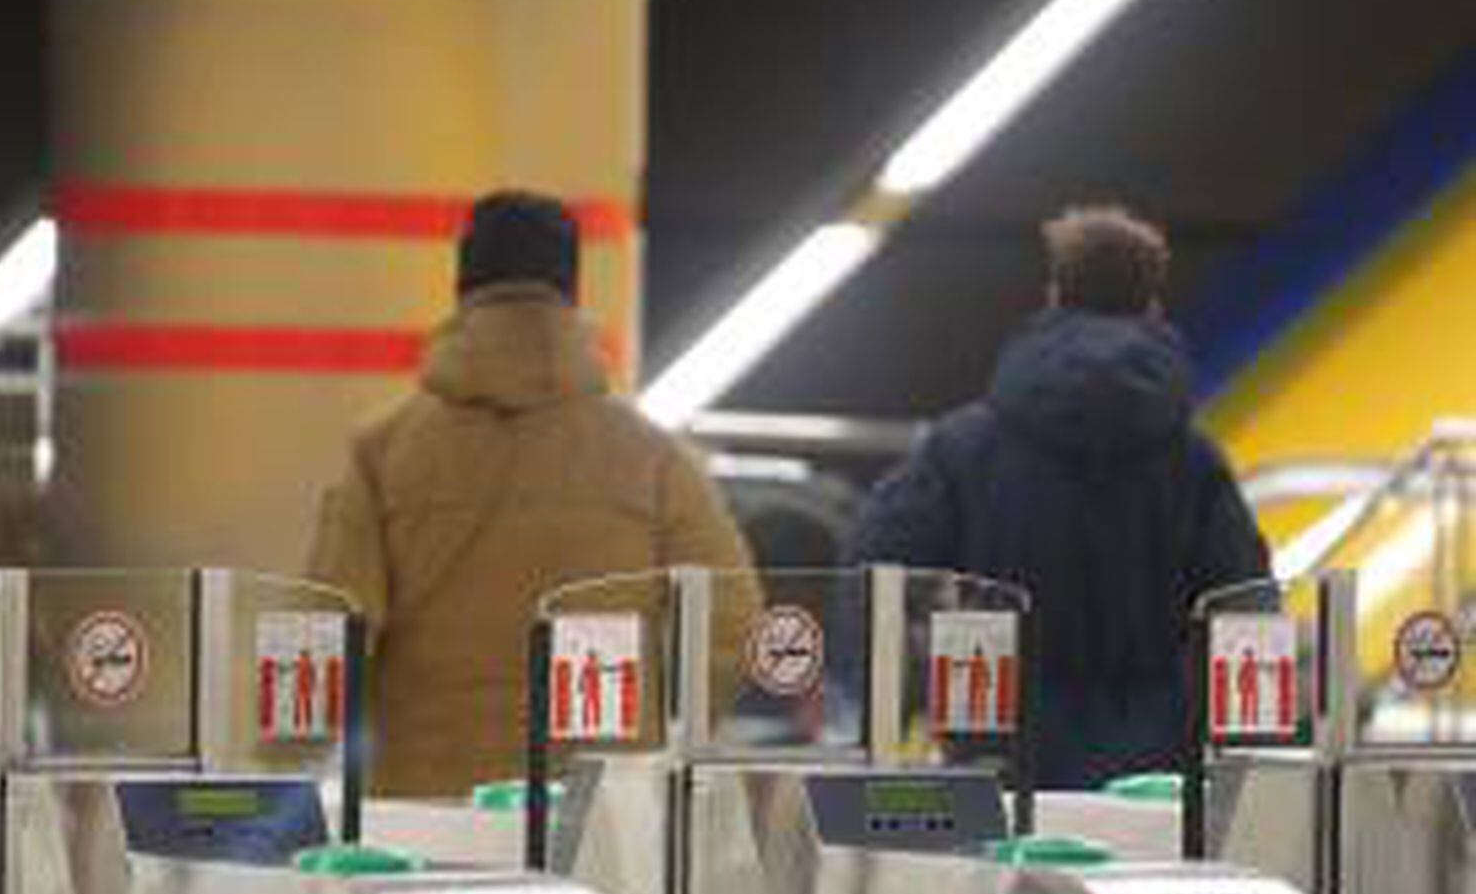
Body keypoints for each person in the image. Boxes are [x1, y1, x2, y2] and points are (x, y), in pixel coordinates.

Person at [307, 190, 753, 798]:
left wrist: (294, 766)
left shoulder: (383, 452)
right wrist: (653, 737)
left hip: (430, 808)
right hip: (598, 811)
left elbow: (328, 635)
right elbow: (732, 625)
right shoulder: (654, 458)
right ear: (572, 292)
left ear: (462, 288)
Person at [849, 203, 1268, 789]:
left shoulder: (962, 448)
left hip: (997, 743)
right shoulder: (1195, 462)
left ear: (1052, 296)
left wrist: (916, 691)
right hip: (1157, 768)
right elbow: (1245, 605)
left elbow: (875, 571)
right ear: (1153, 306)